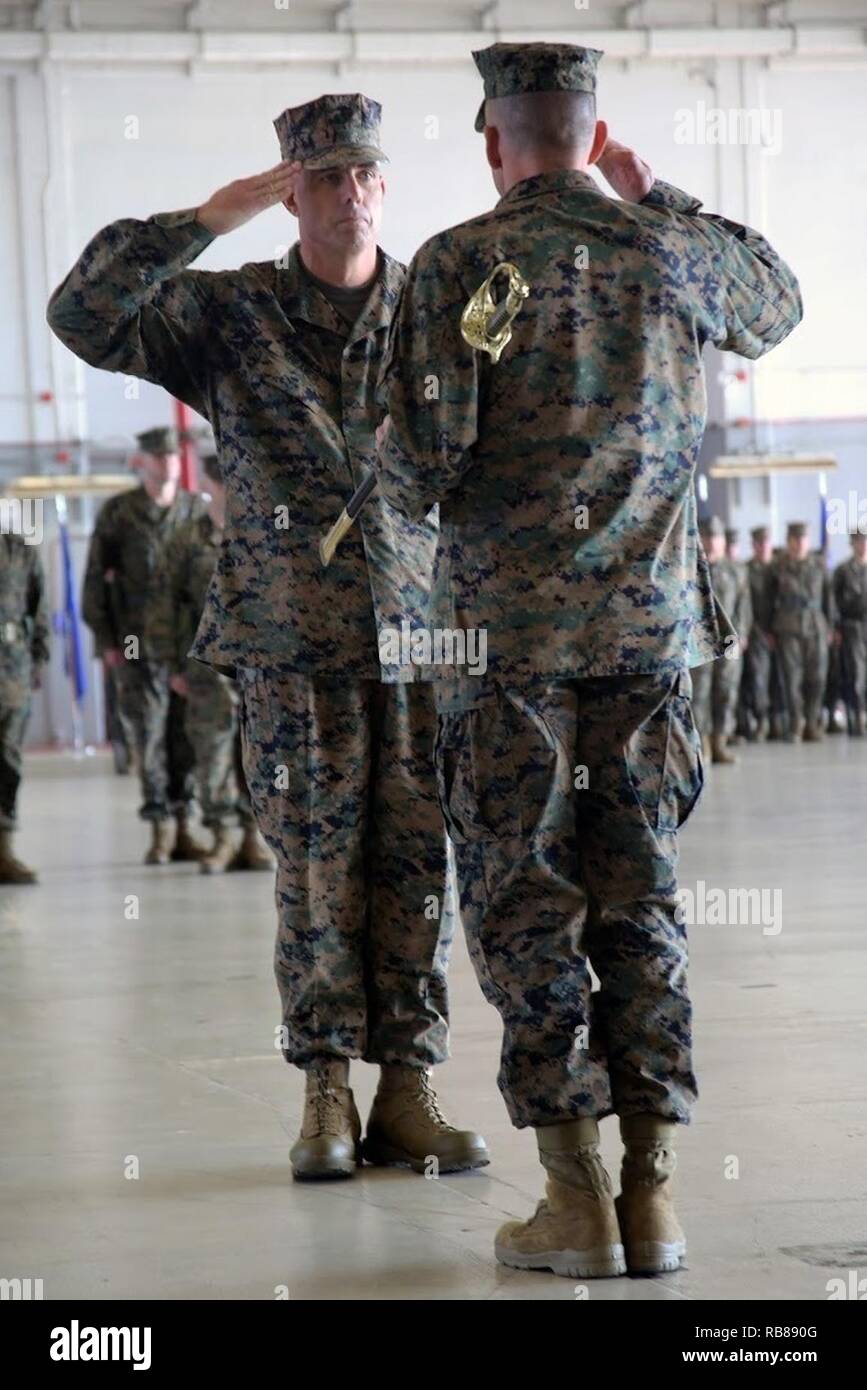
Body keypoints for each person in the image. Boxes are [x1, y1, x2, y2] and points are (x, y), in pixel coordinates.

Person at [375, 41, 802, 1276]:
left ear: (493, 141)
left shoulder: (458, 264)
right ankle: (655, 1199)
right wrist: (661, 193)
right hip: (651, 639)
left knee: (528, 905)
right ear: (595, 134)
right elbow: (778, 302)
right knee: (643, 896)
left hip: (507, 650)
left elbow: (420, 462)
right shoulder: (672, 249)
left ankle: (575, 1200)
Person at [48, 93, 486, 1181]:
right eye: (326, 177)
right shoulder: (231, 313)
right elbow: (82, 314)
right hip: (289, 642)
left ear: (385, 184)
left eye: (365, 174)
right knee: (314, 870)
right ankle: (325, 1088)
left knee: (418, 867)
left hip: (418, 640)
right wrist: (204, 221)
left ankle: (408, 1088)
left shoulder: (434, 309)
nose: (351, 195)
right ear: (292, 193)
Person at [78, 427, 208, 864]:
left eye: (172, 455)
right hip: (135, 643)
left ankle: (185, 824)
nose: (168, 461)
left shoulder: (195, 510)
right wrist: (106, 640)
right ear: (143, 461)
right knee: (148, 734)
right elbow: (95, 580)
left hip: (186, 645)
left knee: (185, 736)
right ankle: (160, 829)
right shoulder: (120, 513)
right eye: (159, 455)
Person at [149, 452, 272, 873]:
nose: (203, 491)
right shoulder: (186, 540)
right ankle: (222, 837)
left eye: (208, 484)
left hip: (256, 668)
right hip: (204, 670)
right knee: (212, 753)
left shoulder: (259, 531)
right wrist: (170, 666)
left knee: (256, 755)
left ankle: (253, 837)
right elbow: (163, 605)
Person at [0, 532, 49, 884]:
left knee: (8, 758)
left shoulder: (19, 550)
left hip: (12, 671)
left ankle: (4, 850)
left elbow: (39, 608)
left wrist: (38, 660)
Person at [691, 516, 752, 765]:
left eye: (716, 537)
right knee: (701, 692)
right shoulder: (692, 569)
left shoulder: (737, 570)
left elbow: (744, 606)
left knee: (727, 689)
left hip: (729, 639)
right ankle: (703, 743)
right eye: (707, 537)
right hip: (700, 640)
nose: (712, 542)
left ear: (723, 541)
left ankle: (720, 742)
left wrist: (742, 633)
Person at [768, 522, 833, 742]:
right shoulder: (778, 566)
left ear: (808, 541)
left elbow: (829, 599)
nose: (798, 544)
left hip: (815, 626)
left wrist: (830, 627)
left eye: (802, 539)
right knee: (791, 678)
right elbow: (768, 599)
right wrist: (769, 629)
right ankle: (796, 723)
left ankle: (812, 722)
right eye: (794, 540)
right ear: (788, 542)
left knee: (817, 677)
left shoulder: (819, 564)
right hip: (788, 627)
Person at [741, 524, 776, 741]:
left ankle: (779, 720)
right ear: (753, 545)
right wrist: (758, 631)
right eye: (759, 543)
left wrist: (775, 631)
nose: (763, 547)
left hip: (783, 631)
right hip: (757, 631)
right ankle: (762, 720)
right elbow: (745, 605)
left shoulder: (780, 568)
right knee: (759, 678)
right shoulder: (746, 570)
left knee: (781, 680)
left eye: (766, 542)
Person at [833, 530, 867, 736]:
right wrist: (836, 628)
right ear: (852, 544)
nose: (863, 546)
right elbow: (834, 602)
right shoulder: (843, 571)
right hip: (852, 627)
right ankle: (856, 717)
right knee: (856, 674)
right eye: (859, 542)